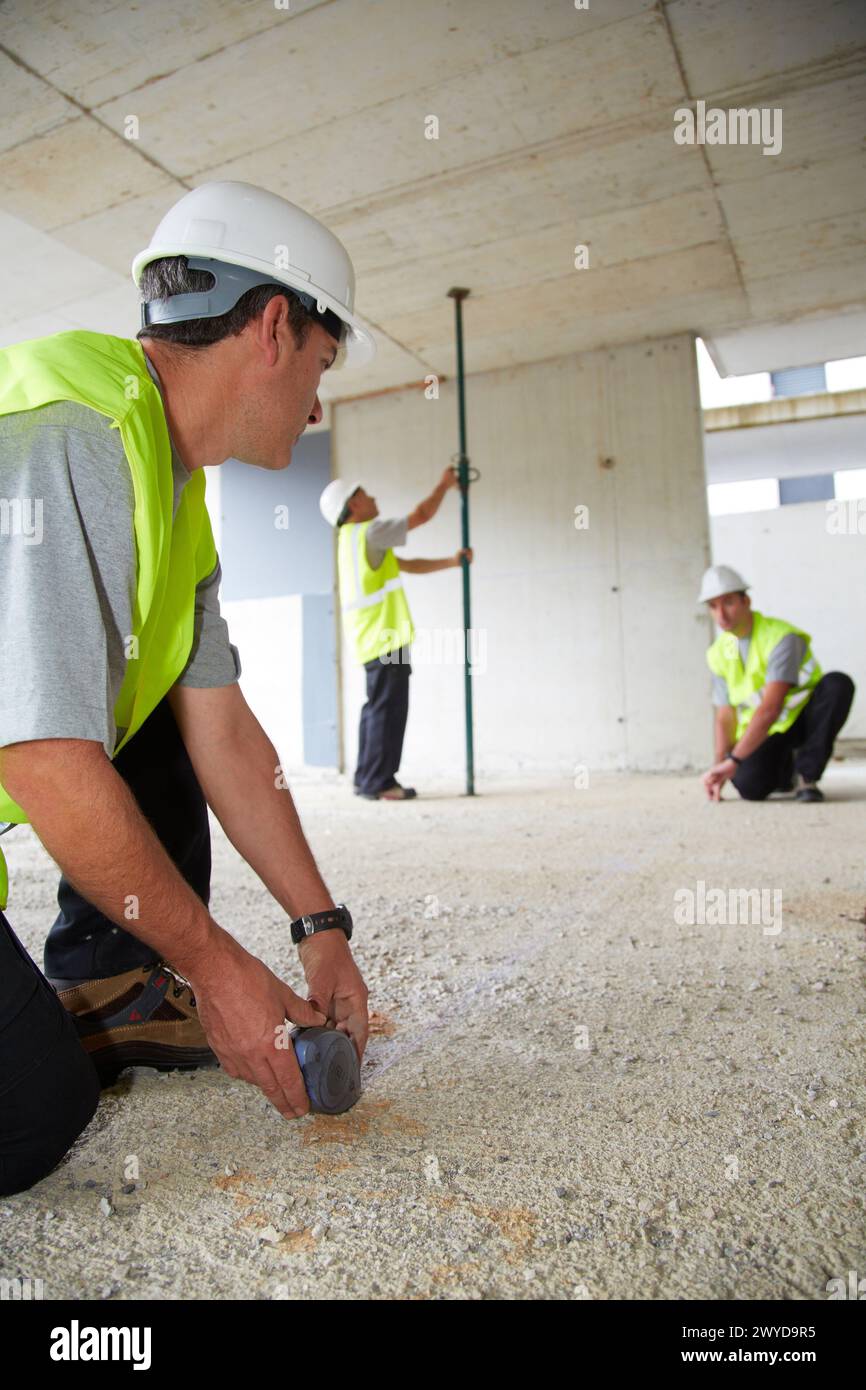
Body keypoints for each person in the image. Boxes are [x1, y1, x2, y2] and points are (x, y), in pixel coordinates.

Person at [0, 180, 371, 1197]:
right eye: (321, 364)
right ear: (272, 327)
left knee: (161, 707)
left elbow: (224, 733)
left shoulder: (176, 492)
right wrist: (215, 965)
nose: (317, 403)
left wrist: (320, 929)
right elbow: (42, 757)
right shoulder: (74, 427)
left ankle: (110, 981)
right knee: (31, 1114)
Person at [319, 473, 472, 800]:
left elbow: (407, 565)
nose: (374, 498)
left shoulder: (351, 540)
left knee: (376, 709)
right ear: (354, 503)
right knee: (388, 711)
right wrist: (444, 484)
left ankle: (366, 778)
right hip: (386, 638)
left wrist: (452, 562)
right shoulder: (371, 532)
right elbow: (421, 516)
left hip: (372, 639)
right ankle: (381, 783)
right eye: (366, 494)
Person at [698, 565, 855, 803]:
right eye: (713, 606)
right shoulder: (722, 651)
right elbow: (725, 716)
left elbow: (771, 708)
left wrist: (735, 760)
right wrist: (719, 768)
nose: (721, 614)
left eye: (728, 602)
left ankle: (807, 775)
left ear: (746, 601)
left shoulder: (779, 637)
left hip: (803, 719)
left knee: (837, 685)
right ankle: (785, 771)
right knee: (749, 786)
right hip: (769, 730)